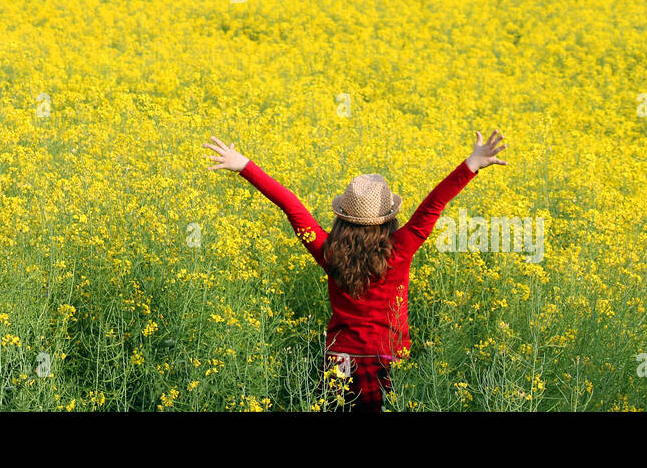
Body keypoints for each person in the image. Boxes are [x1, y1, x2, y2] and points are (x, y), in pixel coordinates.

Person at [204, 130, 508, 411]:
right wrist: (471, 164)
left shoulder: (328, 250)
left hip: (340, 359)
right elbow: (433, 205)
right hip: (388, 359)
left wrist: (244, 165)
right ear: (388, 218)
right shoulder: (402, 246)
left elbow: (292, 207)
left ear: (342, 218)